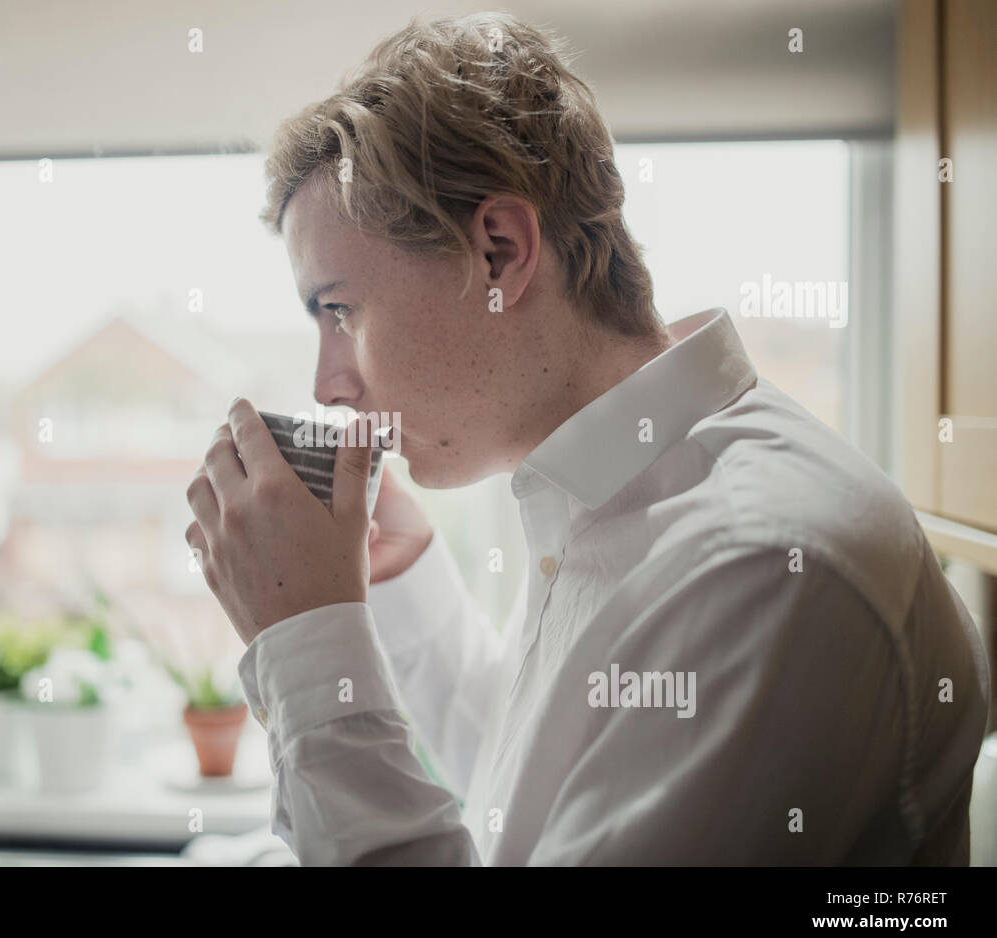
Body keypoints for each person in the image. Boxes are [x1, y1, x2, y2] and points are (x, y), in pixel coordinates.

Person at [184, 12, 991, 865]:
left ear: (498, 252)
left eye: (340, 310)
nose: (328, 385)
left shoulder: (759, 569)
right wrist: (407, 582)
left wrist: (307, 639)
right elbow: (529, 808)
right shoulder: (609, 499)